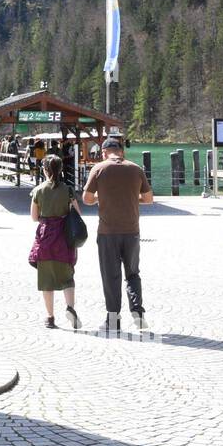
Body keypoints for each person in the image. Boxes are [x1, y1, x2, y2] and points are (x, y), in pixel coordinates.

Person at [82, 138, 154, 333]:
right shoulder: (136, 168)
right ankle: (138, 314)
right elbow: (148, 199)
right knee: (132, 274)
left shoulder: (99, 168)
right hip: (132, 231)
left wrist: (102, 197)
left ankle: (113, 321)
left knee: (111, 276)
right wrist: (131, 197)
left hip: (108, 232)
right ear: (121, 152)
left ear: (104, 152)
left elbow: (87, 199)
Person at [30, 154, 82, 330]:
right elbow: (77, 214)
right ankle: (70, 308)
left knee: (47, 281)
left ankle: (50, 318)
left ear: (44, 169)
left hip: (45, 238)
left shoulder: (38, 190)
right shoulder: (67, 190)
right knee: (67, 277)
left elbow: (34, 217)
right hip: (64, 238)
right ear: (60, 169)